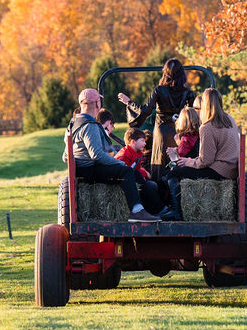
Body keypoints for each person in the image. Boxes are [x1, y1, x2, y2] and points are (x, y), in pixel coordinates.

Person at [62, 88, 160, 222]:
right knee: (126, 171)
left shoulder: (72, 124)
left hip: (79, 169)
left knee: (129, 171)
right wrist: (120, 163)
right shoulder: (90, 125)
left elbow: (65, 156)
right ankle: (137, 211)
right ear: (97, 104)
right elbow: (97, 155)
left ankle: (145, 207)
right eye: (99, 102)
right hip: (89, 170)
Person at [157, 88, 239, 221]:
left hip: (219, 171)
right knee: (183, 170)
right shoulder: (230, 119)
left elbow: (205, 161)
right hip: (231, 169)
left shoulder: (207, 127)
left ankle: (176, 211)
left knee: (174, 173)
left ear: (205, 104)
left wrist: (187, 161)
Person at [118, 58, 195, 181]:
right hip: (178, 133)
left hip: (162, 132)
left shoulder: (159, 90)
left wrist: (129, 103)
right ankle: (174, 194)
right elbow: (193, 117)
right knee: (176, 163)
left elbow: (145, 111)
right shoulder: (189, 93)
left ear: (165, 73)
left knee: (159, 164)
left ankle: (159, 194)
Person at [114, 128, 163, 214]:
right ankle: (157, 209)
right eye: (142, 141)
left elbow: (136, 168)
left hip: (134, 178)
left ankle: (152, 209)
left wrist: (144, 173)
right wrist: (143, 173)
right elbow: (126, 171)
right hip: (124, 182)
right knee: (149, 186)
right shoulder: (124, 155)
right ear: (133, 142)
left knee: (153, 185)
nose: (145, 143)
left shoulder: (137, 153)